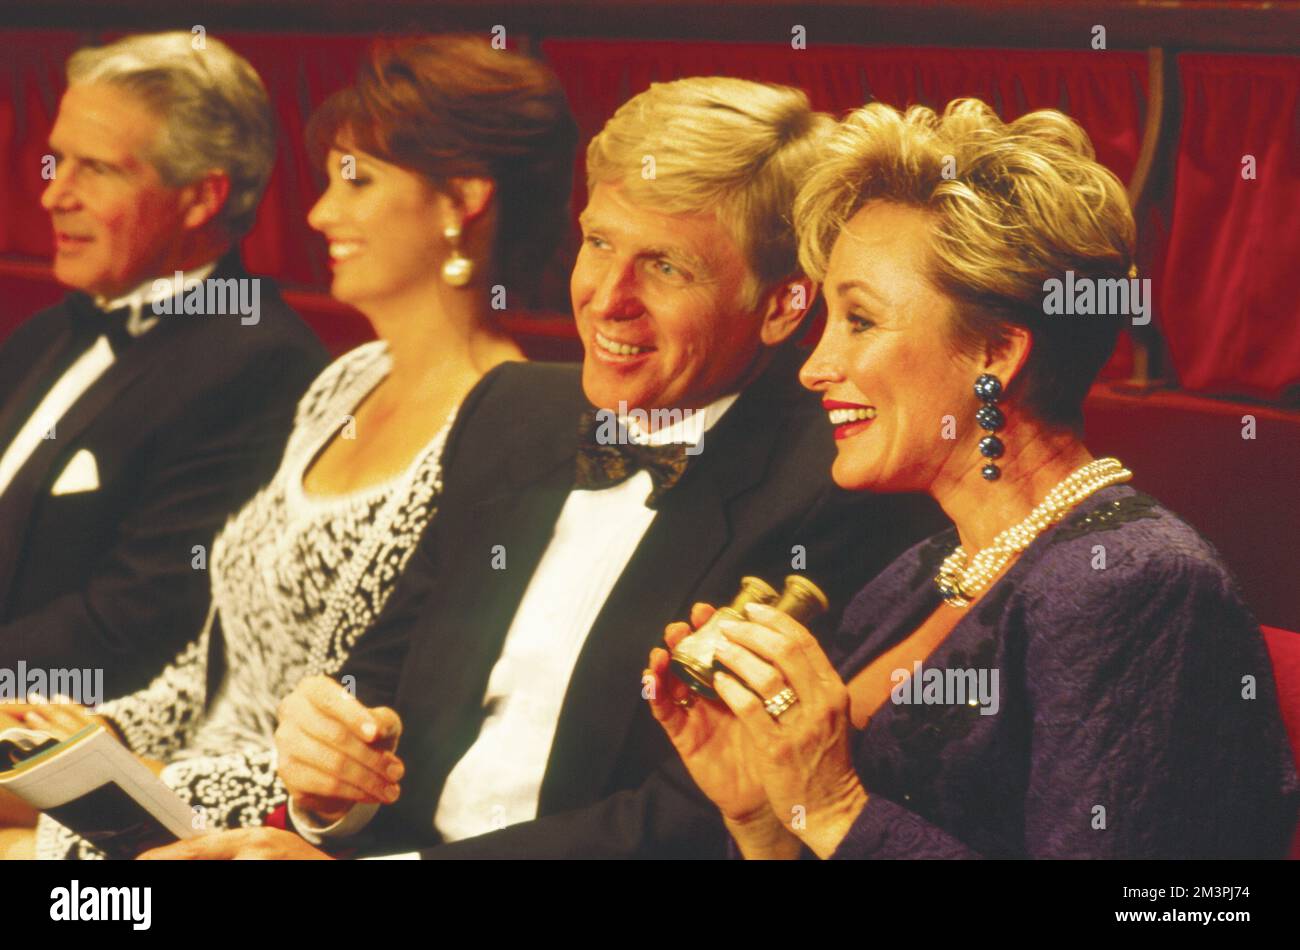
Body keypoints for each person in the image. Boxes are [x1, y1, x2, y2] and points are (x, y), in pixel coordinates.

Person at [139, 76, 946, 861]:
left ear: (781, 306)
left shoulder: (838, 489)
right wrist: (327, 784)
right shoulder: (510, 411)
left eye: (665, 267)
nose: (607, 297)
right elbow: (378, 682)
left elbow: (695, 817)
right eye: (599, 243)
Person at [643, 98, 1300, 859]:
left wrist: (833, 809)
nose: (817, 367)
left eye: (859, 321)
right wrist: (765, 817)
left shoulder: (1138, 585)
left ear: (995, 353)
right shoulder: (919, 575)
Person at [7, 34, 578, 860]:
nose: (318, 215)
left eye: (357, 182)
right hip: (165, 798)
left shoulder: (503, 430)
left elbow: (381, 751)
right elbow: (211, 671)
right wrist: (86, 735)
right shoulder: (344, 382)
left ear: (463, 200)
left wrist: (113, 794)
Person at [0, 33, 326, 702]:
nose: (54, 196)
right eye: (58, 161)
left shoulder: (262, 366)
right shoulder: (49, 333)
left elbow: (136, 628)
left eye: (97, 169)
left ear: (203, 197)